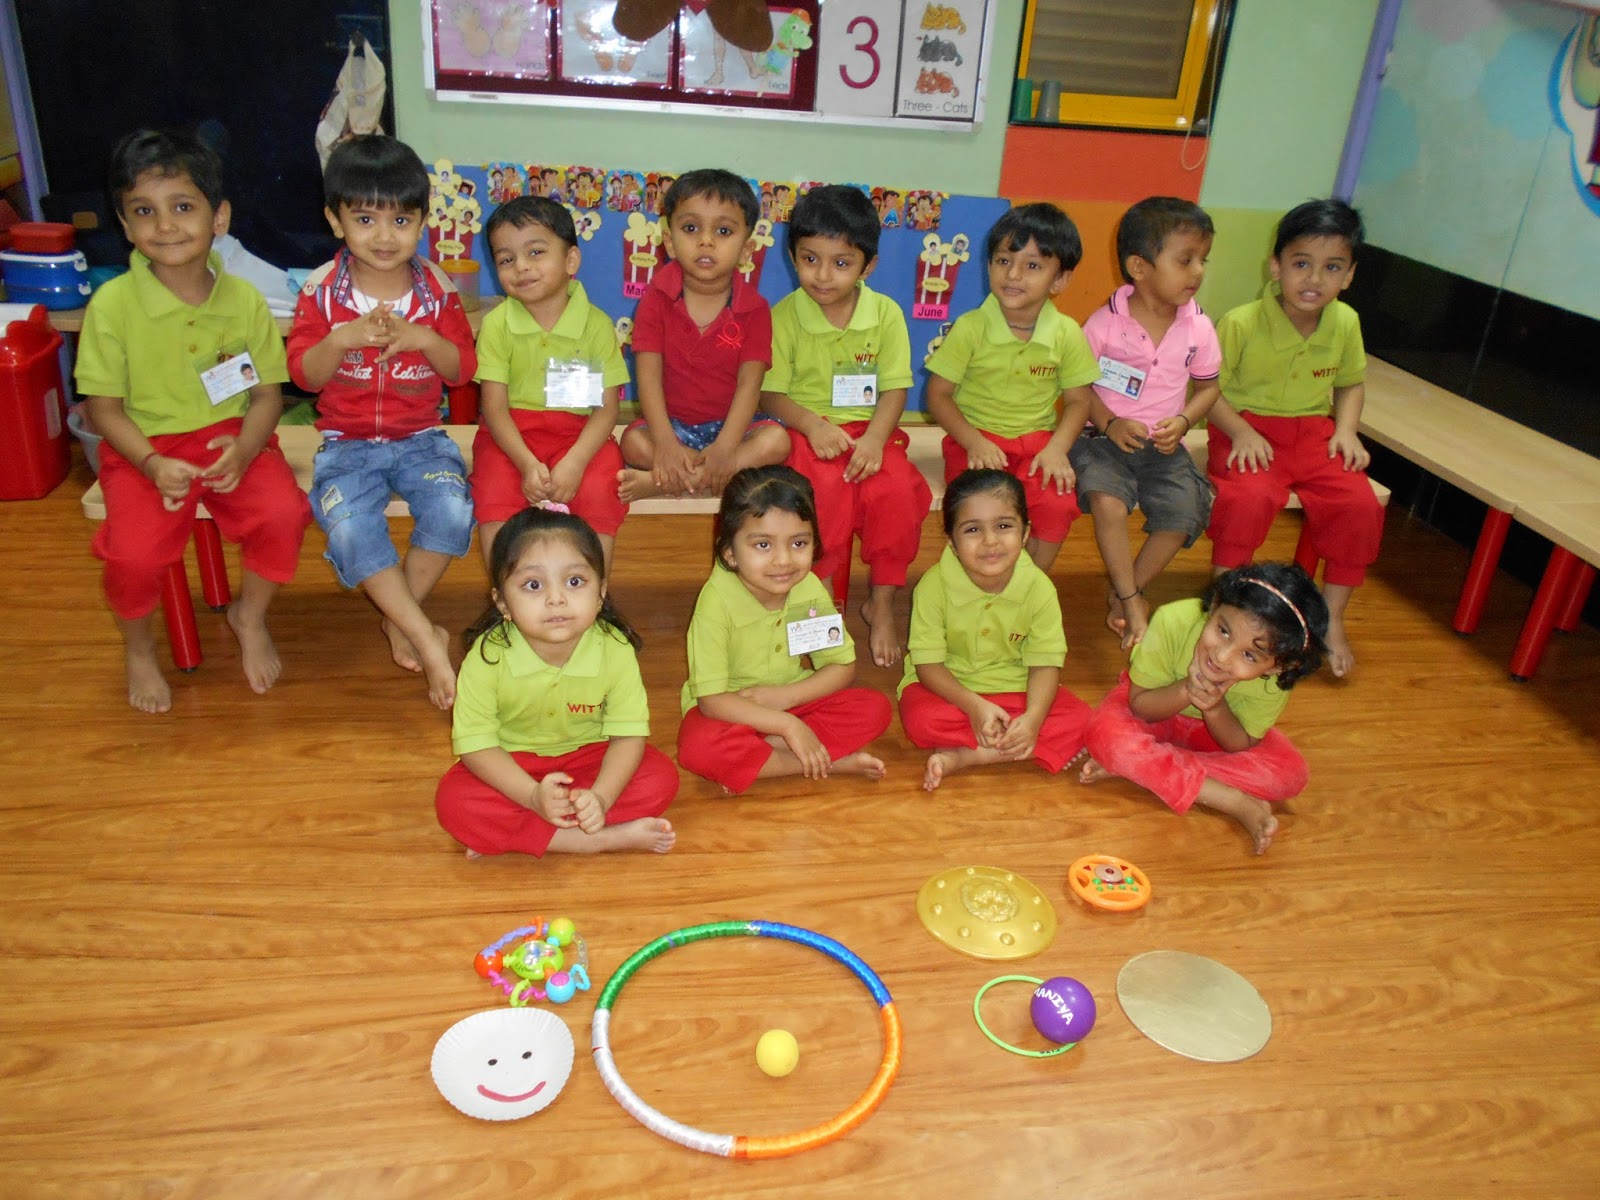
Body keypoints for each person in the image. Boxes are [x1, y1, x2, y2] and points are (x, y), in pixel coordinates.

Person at [76, 129, 311, 714]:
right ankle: (137, 648)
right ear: (126, 227)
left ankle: (248, 616)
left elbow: (265, 396)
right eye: (144, 212)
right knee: (133, 556)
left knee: (285, 513)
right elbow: (102, 409)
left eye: (183, 206)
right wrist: (152, 463)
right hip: (143, 450)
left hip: (235, 440)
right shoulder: (112, 306)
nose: (166, 225)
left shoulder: (245, 301)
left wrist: (247, 450)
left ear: (219, 217)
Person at [287, 134, 477, 709]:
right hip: (345, 444)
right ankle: (421, 633)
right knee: (347, 526)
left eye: (401, 219)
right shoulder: (322, 294)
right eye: (365, 218)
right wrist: (340, 339)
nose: (384, 235)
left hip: (421, 438)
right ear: (335, 219)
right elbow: (303, 376)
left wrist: (424, 338)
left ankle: (402, 620)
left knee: (453, 509)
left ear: (422, 221)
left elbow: (462, 370)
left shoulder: (438, 292)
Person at [435, 507, 678, 857]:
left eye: (575, 581)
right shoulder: (486, 658)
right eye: (533, 585)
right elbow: (478, 749)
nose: (556, 599)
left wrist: (601, 797)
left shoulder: (614, 648)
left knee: (660, 777)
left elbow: (628, 737)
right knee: (454, 802)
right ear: (502, 602)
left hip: (590, 761)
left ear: (601, 593)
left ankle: (514, 836)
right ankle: (596, 840)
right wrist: (533, 797)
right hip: (514, 766)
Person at [1204, 199, 1379, 677]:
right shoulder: (1240, 322)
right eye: (1301, 264)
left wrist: (1346, 430)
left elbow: (1350, 383)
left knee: (1359, 505)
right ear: (1276, 266)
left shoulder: (1346, 322)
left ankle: (1333, 618)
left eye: (1331, 268)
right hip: (1243, 430)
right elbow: (1205, 389)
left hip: (1315, 435)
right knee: (1247, 499)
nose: (1314, 279)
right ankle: (1226, 606)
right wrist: (1239, 430)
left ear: (1348, 275)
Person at [760, 185, 932, 668]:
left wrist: (876, 439)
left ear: (867, 266)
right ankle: (819, 608)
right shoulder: (785, 316)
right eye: (810, 259)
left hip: (871, 432)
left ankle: (879, 602)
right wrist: (813, 426)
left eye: (841, 263)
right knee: (825, 502)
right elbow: (769, 392)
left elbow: (896, 388)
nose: (822, 275)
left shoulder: (887, 315)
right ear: (792, 256)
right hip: (807, 432)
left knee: (895, 494)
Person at [1079, 562, 1329, 856]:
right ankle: (1227, 798)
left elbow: (1240, 743)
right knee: (1107, 734)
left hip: (1218, 731)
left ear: (1279, 667)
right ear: (1214, 606)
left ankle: (1141, 767)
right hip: (1155, 705)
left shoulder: (1277, 680)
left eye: (1249, 655)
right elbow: (1141, 707)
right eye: (1223, 631)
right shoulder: (1173, 619)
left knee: (1291, 774)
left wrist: (1214, 708)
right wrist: (1187, 689)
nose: (1222, 657)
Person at [677, 465, 893, 793]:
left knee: (874, 708)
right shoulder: (714, 602)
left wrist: (785, 699)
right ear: (730, 553)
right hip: (731, 708)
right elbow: (711, 701)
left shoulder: (808, 589)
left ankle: (763, 761)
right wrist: (788, 725)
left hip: (791, 696)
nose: (783, 561)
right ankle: (825, 761)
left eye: (798, 543)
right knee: (698, 748)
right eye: (763, 545)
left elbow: (841, 666)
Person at [1071, 197, 1221, 650]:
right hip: (1102, 440)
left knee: (1186, 510)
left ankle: (1126, 590)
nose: (1197, 272)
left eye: (1203, 260)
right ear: (1139, 266)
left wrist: (1185, 420)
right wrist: (1111, 422)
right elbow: (1077, 390)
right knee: (1110, 504)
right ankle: (1133, 599)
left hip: (1165, 446)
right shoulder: (1103, 324)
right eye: (1185, 260)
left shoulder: (1199, 327)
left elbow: (1209, 389)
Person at [925, 202, 1101, 571]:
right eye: (1003, 261)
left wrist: (1056, 450)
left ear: (1060, 280)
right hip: (974, 441)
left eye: (1032, 265)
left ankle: (1028, 585)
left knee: (1057, 503)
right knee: (983, 510)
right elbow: (938, 396)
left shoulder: (1067, 333)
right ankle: (977, 579)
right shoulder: (971, 327)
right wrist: (974, 441)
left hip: (1037, 444)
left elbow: (1078, 403)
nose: (1014, 275)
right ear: (988, 265)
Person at [899, 469, 1093, 791]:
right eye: (973, 529)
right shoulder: (932, 587)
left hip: (1017, 690)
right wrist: (974, 706)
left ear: (1026, 533)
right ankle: (1014, 744)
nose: (990, 541)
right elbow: (927, 666)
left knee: (1084, 721)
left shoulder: (1039, 588)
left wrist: (1032, 719)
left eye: (1004, 526)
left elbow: (1045, 664)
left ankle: (967, 756)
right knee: (920, 718)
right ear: (952, 542)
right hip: (952, 691)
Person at [470, 195, 629, 571]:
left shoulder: (596, 325)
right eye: (506, 259)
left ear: (570, 260)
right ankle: (505, 596)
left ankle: (595, 595)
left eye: (536, 252)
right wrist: (525, 463)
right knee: (494, 492)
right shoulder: (496, 325)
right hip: (510, 436)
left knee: (601, 486)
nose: (521, 267)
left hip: (580, 436)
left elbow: (606, 410)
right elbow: (493, 408)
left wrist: (575, 462)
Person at [617, 169, 790, 502]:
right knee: (633, 443)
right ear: (669, 241)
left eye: (724, 231)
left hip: (733, 428)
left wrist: (725, 447)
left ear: (746, 249)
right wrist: (666, 444)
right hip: (672, 426)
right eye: (691, 228)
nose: (706, 241)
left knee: (777, 442)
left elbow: (749, 385)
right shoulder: (654, 300)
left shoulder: (755, 309)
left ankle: (662, 482)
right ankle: (709, 478)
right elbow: (649, 379)